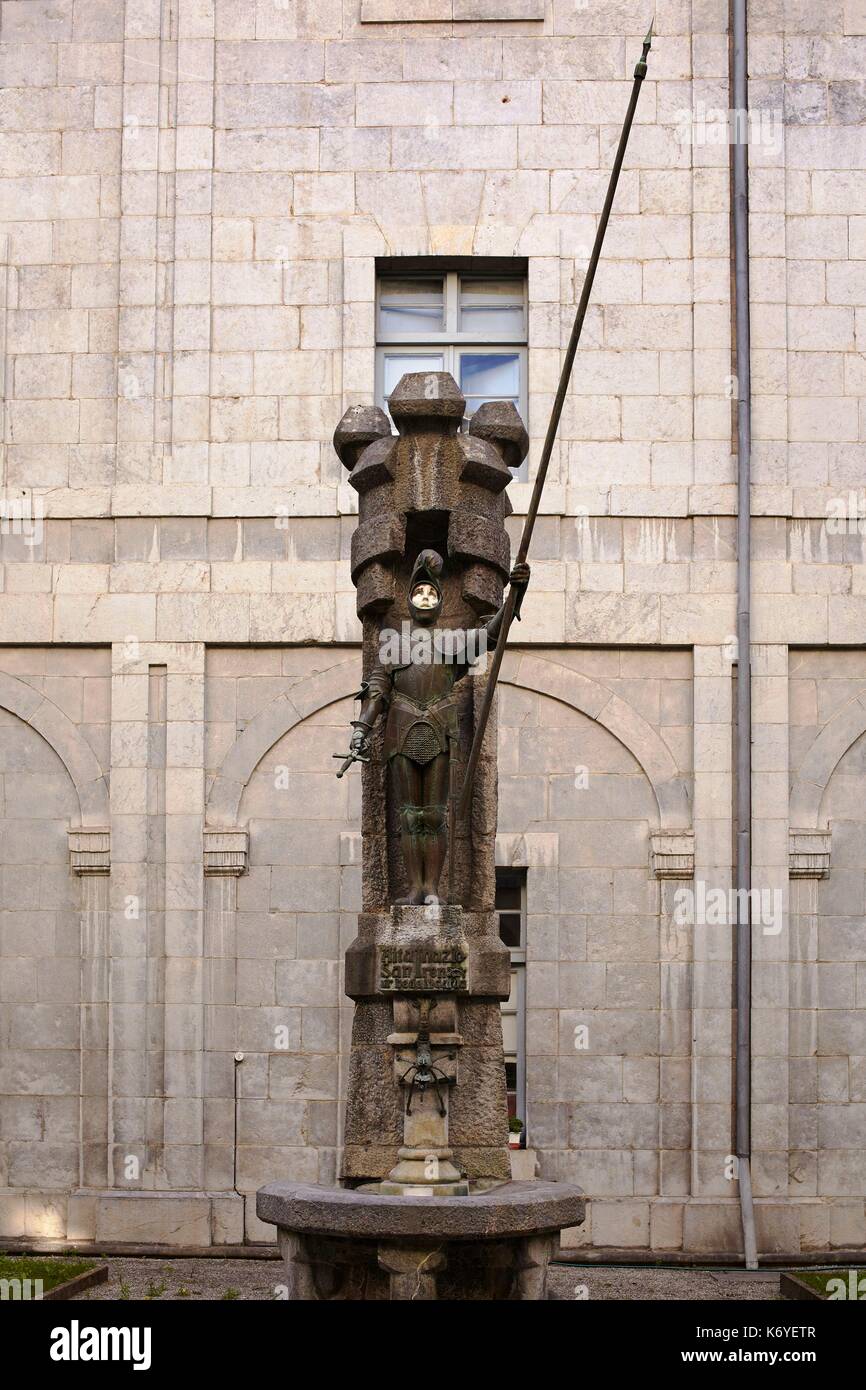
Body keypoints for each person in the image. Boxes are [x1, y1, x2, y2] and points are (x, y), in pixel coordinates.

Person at [343, 548, 530, 904]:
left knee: (434, 815)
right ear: (410, 600)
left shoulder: (453, 642)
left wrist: (514, 596)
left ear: (441, 601)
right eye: (419, 593)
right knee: (410, 816)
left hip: (441, 731)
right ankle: (415, 887)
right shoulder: (393, 646)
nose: (425, 597)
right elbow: (377, 691)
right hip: (401, 730)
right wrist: (360, 730)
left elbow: (490, 635)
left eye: (431, 593)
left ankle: (433, 889)